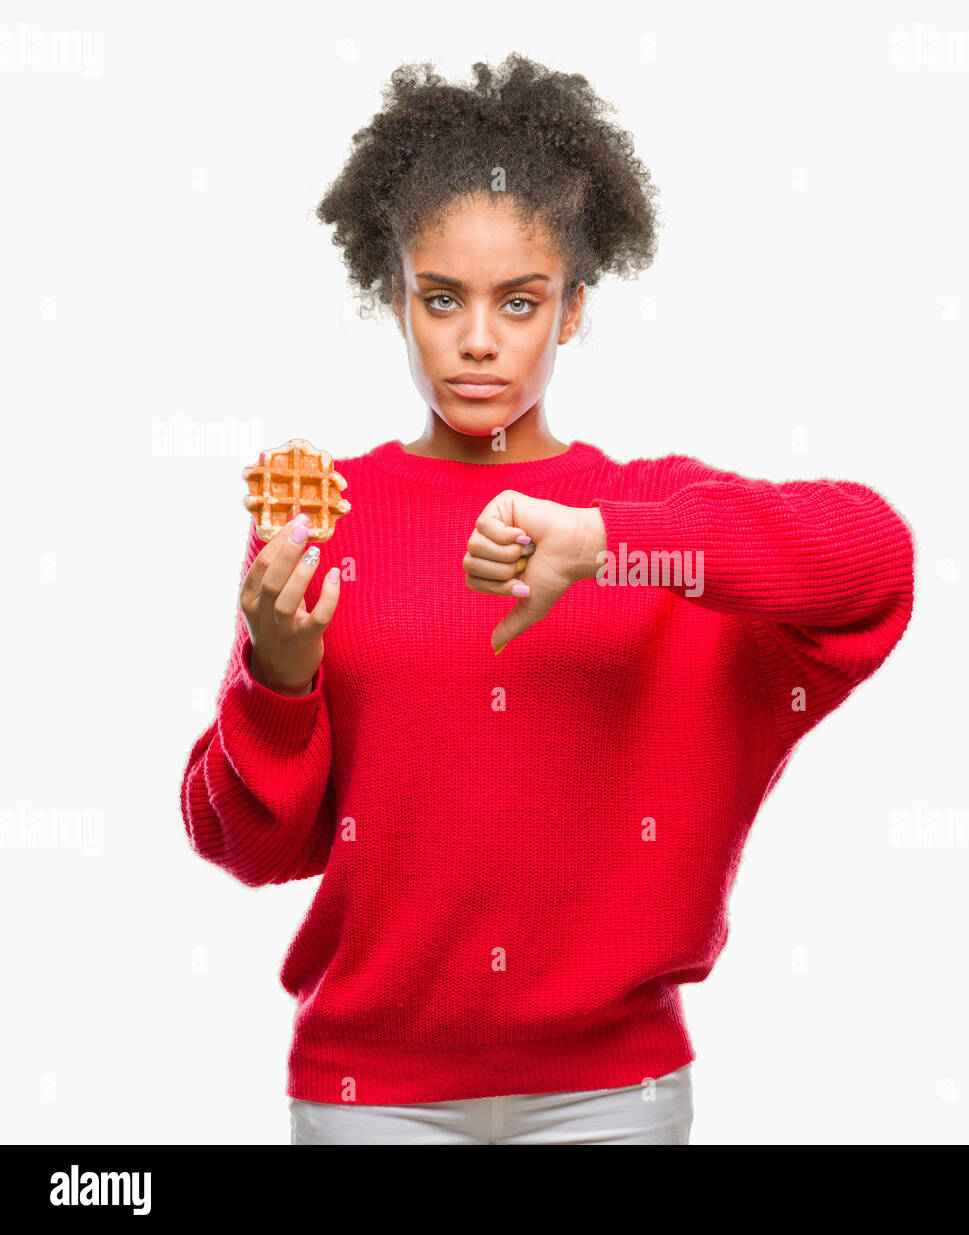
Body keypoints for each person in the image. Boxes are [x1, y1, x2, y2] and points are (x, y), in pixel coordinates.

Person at [180, 55, 915, 1145]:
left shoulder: (646, 510)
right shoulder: (321, 520)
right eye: (442, 298)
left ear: (571, 308)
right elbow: (242, 843)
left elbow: (875, 560)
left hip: (611, 1097)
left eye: (519, 301)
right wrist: (276, 674)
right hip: (367, 1094)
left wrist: (613, 546)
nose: (478, 340)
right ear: (394, 296)